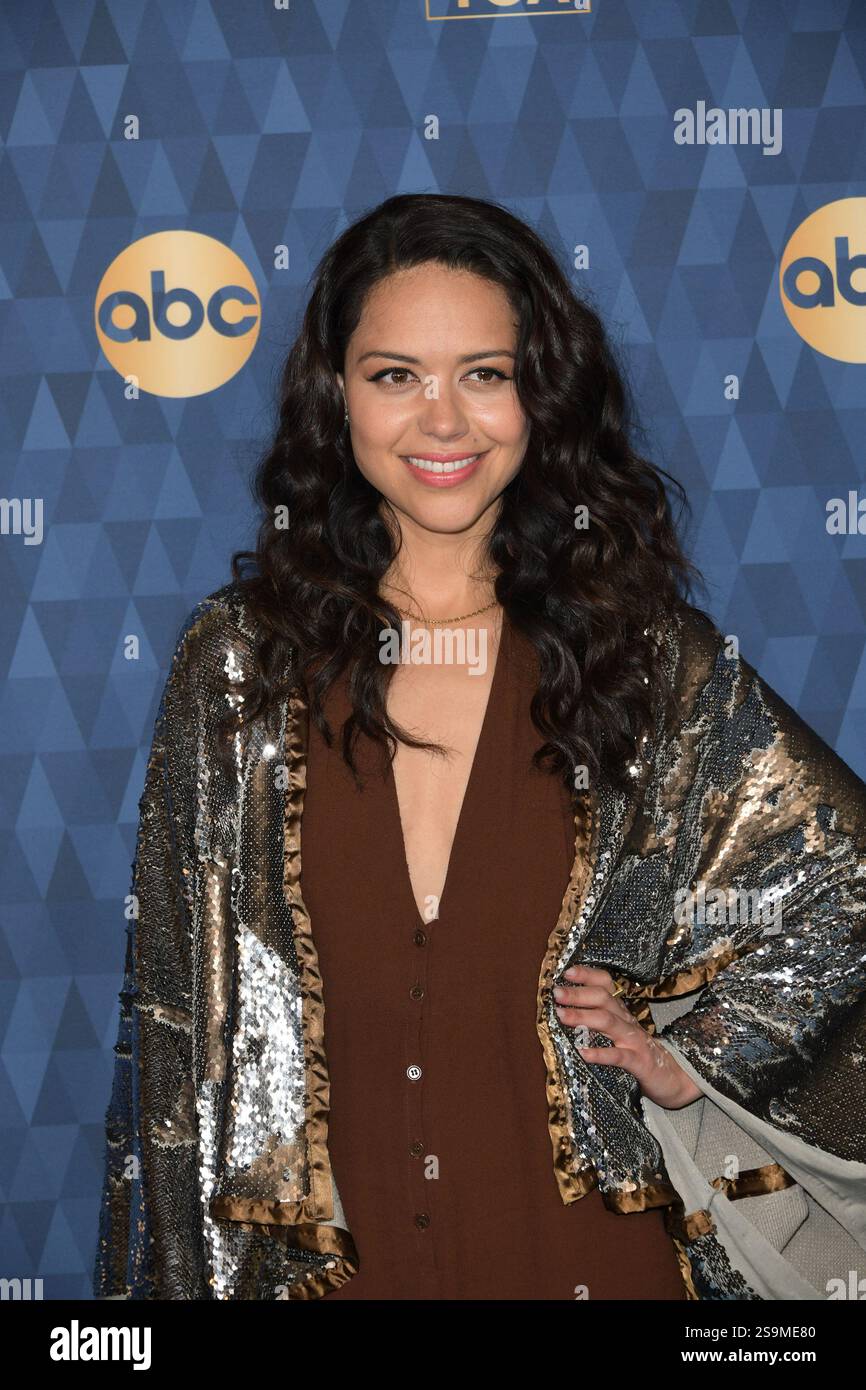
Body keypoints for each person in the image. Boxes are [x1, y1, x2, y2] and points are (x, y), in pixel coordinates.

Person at [94, 193, 866, 1302]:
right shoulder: (238, 663)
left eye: (485, 374)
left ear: (539, 398)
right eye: (395, 374)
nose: (441, 421)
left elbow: (839, 883)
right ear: (337, 397)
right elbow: (179, 1033)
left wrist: (699, 1051)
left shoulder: (645, 660)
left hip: (584, 1257)